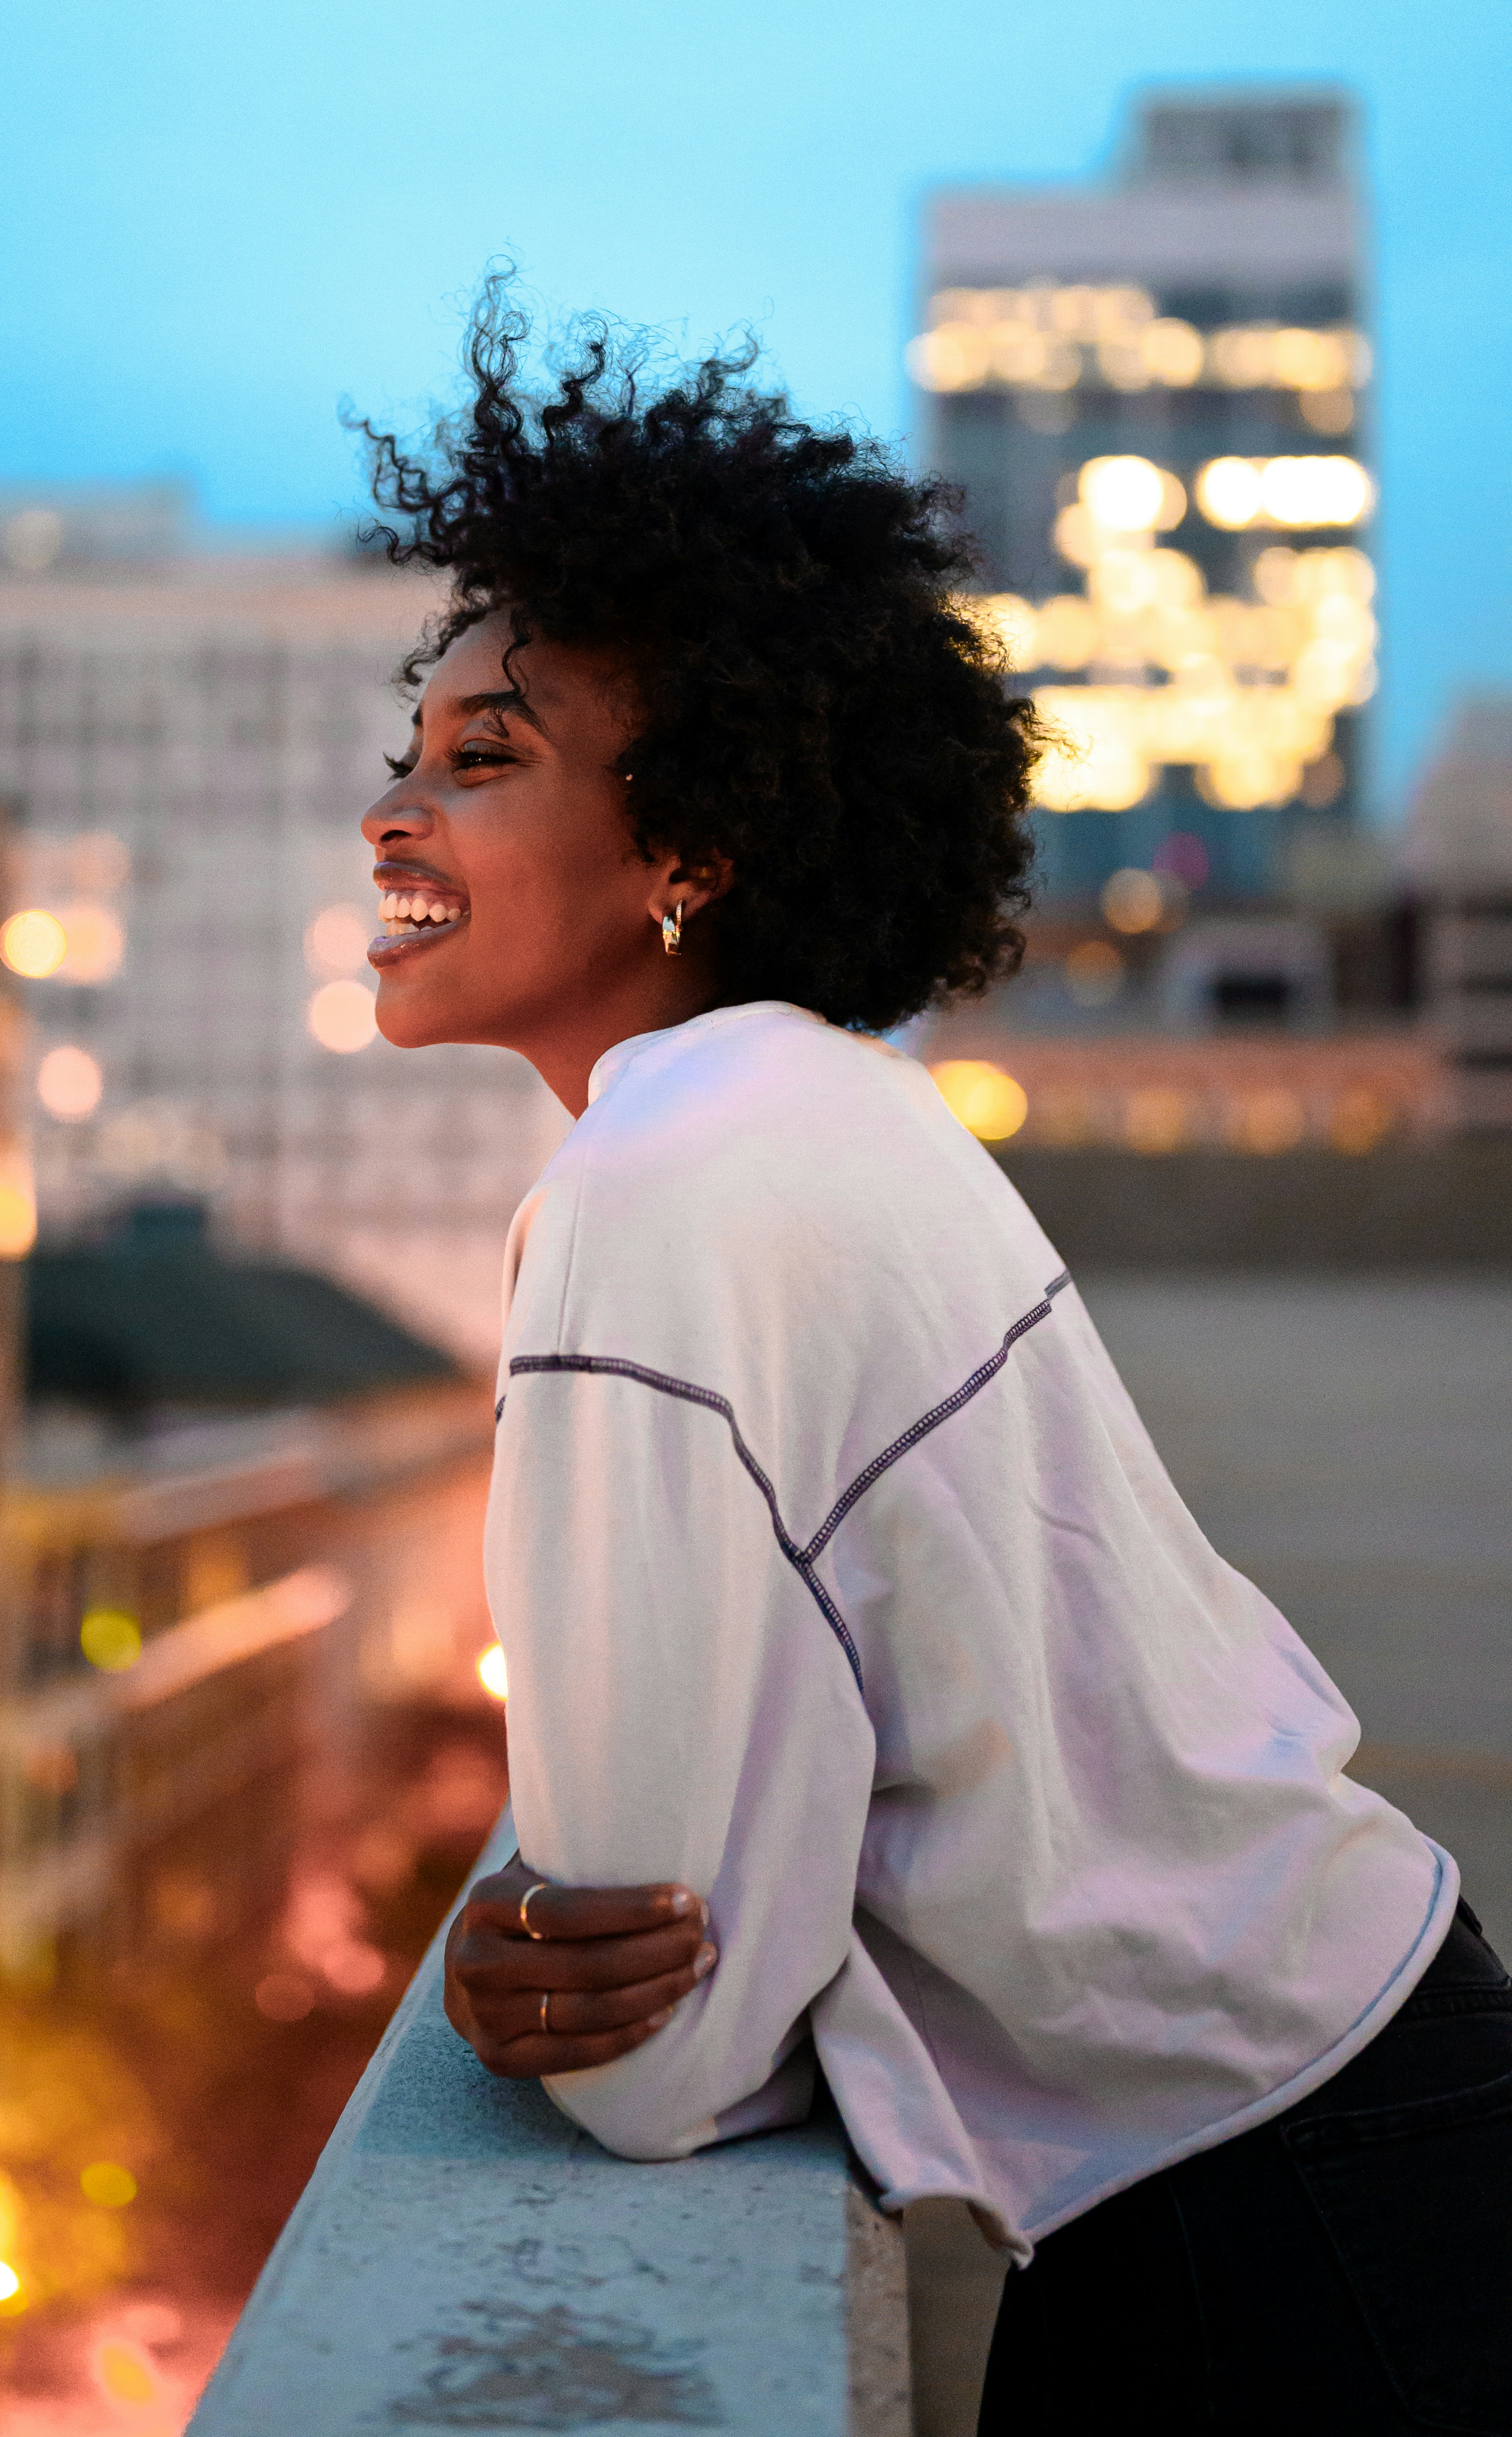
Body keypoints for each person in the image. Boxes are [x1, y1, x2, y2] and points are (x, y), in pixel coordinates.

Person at [355, 282, 1512, 2434]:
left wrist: (557, 1978)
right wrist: (563, 1926)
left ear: (692, 848)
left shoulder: (656, 1191)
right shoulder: (833, 1099)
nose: (395, 815)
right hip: (1332, 2099)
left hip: (1266, 2216)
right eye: (407, 756)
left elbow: (662, 2063)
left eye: (484, 761)